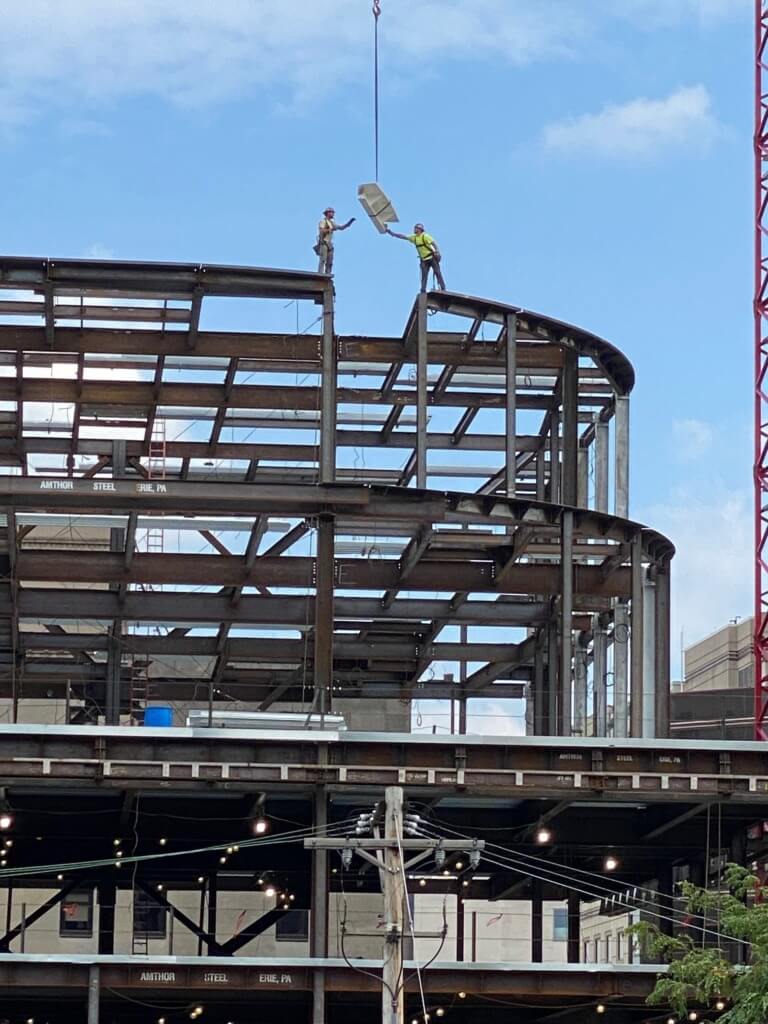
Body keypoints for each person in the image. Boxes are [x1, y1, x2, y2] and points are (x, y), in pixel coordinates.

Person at [385, 222, 446, 292]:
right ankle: (423, 290)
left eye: (416, 228)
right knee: (424, 276)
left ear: (420, 229)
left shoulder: (425, 236)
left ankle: (443, 288)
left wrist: (437, 252)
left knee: (437, 272)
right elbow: (403, 236)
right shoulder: (414, 238)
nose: (414, 229)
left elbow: (434, 243)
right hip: (424, 260)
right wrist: (392, 233)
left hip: (431, 258)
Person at [314, 207, 355, 274]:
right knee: (323, 260)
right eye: (331, 212)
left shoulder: (332, 223)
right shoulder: (323, 221)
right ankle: (320, 273)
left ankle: (328, 274)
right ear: (328, 213)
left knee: (330, 261)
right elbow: (321, 231)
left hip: (329, 244)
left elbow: (341, 227)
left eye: (333, 212)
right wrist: (330, 230)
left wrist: (349, 223)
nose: (333, 214)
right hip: (324, 243)